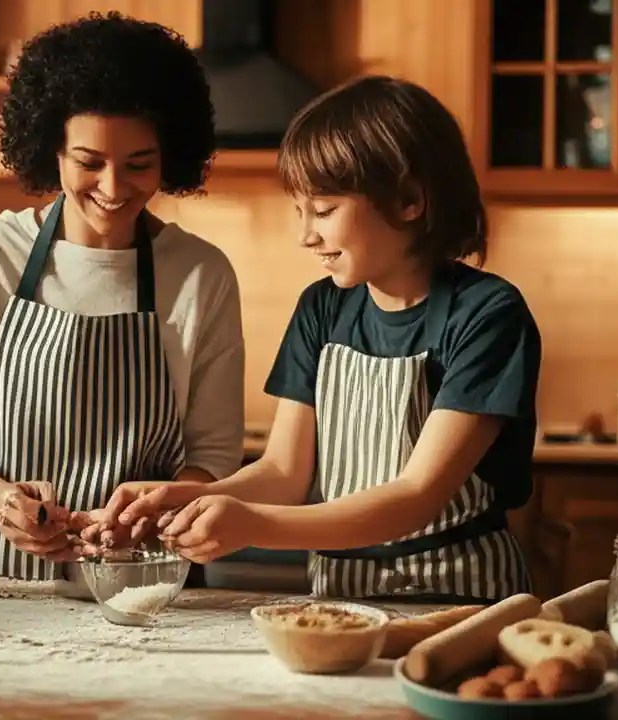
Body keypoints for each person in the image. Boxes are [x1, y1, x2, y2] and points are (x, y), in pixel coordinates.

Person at [102, 75, 541, 603]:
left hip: (457, 599)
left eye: (325, 210)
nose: (306, 235)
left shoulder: (487, 315)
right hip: (339, 599)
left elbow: (416, 495)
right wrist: (183, 499)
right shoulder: (323, 307)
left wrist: (253, 525)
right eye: (299, 210)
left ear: (408, 200)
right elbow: (284, 473)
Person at [0, 12, 245, 582]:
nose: (114, 189)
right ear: (52, 151)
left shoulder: (200, 273)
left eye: (139, 165)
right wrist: (5, 505)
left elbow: (212, 460)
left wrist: (149, 513)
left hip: (144, 588)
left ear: (171, 156)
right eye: (90, 163)